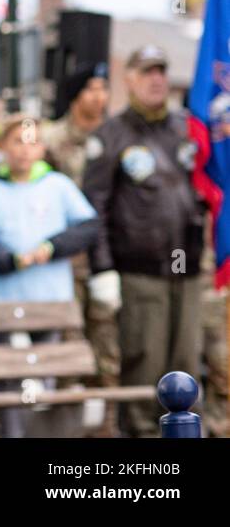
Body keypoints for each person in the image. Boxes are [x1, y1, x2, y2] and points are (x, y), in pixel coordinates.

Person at [82, 45, 207, 437]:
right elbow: (95, 207)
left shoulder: (185, 129)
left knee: (186, 366)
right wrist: (102, 268)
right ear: (130, 79)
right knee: (146, 367)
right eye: (147, 71)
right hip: (140, 272)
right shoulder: (111, 135)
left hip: (185, 270)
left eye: (161, 71)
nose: (157, 79)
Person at [0, 115, 100, 438]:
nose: (24, 150)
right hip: (6, 302)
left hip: (49, 300)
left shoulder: (58, 185)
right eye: (17, 141)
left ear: (42, 148)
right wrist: (10, 260)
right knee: (11, 376)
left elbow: (87, 227)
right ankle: (12, 434)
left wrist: (51, 248)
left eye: (31, 142)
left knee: (42, 374)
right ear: (3, 146)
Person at [40, 61, 120, 435]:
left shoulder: (116, 136)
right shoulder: (51, 141)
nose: (99, 96)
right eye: (91, 88)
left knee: (107, 352)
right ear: (74, 97)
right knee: (69, 353)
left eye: (104, 88)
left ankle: (106, 431)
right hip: (64, 267)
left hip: (105, 262)